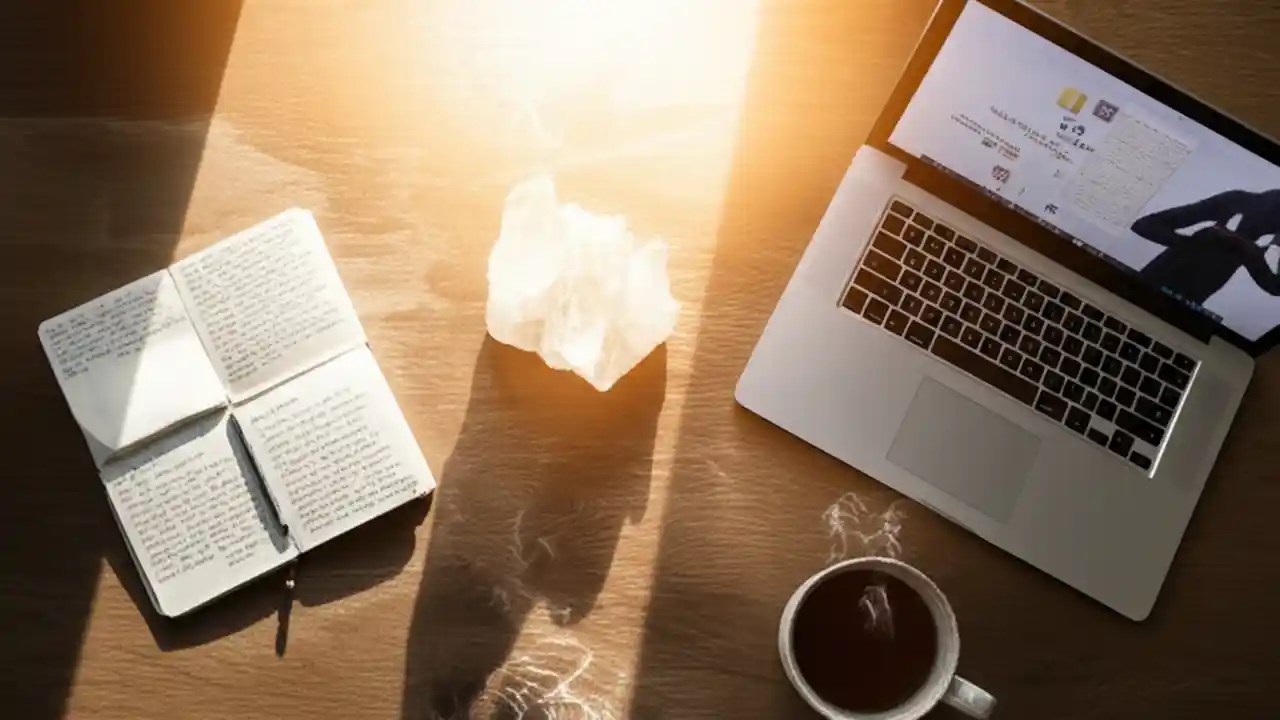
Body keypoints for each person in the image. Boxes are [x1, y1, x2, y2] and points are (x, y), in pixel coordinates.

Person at [1131, 189, 1280, 304]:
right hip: (1145, 287)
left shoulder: (1244, 207)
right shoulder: (1237, 201)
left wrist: (1247, 249)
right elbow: (1144, 225)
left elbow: (1275, 287)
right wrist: (1191, 244)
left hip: (1185, 308)